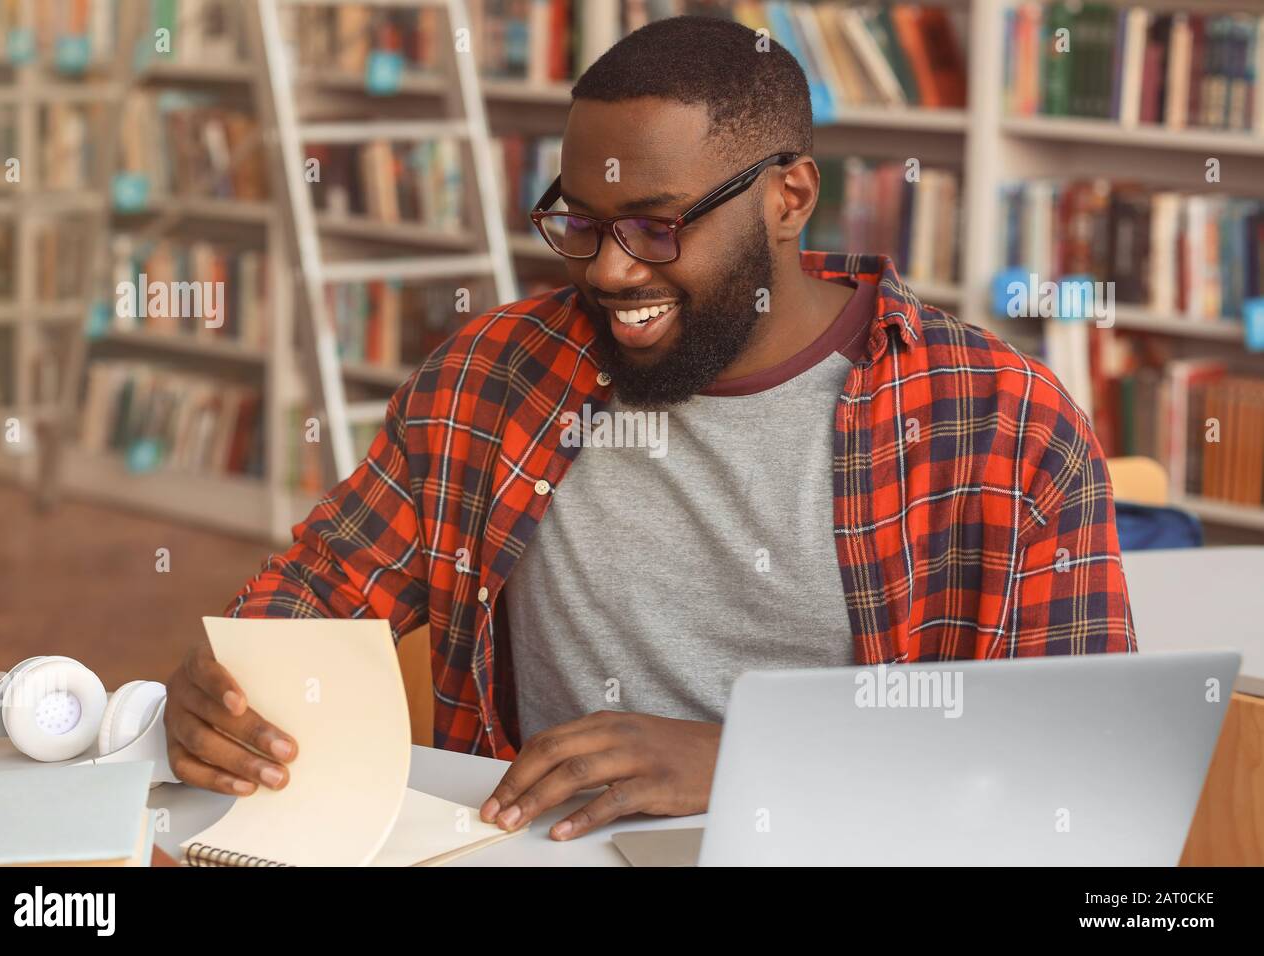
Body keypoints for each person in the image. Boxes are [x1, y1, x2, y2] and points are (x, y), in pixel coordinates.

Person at [163, 15, 1135, 843]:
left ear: (789, 197)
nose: (611, 271)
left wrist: (750, 763)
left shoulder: (1001, 422)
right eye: (581, 222)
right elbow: (312, 595)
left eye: (656, 225)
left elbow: (1075, 771)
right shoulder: (491, 375)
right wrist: (232, 690)